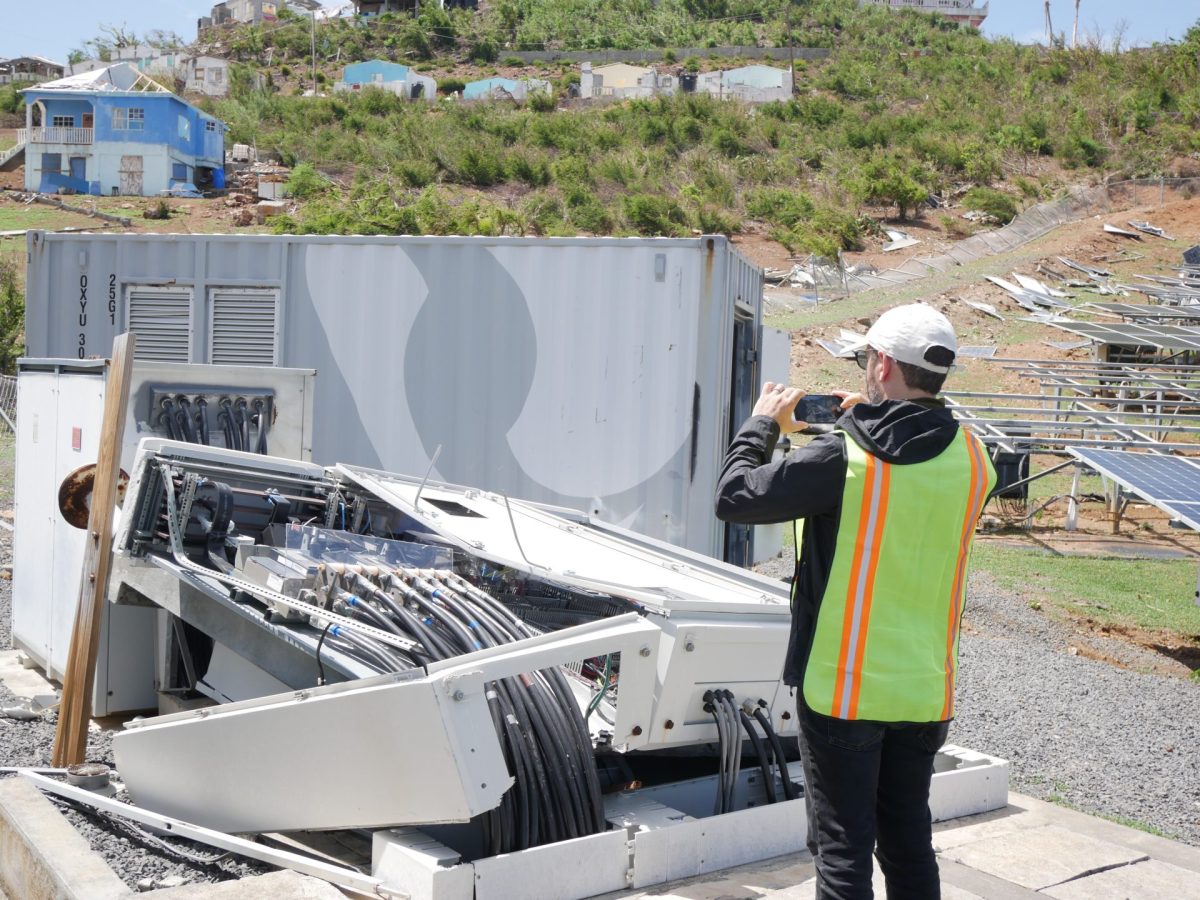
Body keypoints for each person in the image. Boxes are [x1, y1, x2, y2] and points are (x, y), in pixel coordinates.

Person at [714, 303, 996, 900]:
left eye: (867, 359)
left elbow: (735, 495)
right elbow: (908, 472)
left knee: (843, 852)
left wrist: (763, 424)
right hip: (923, 687)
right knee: (908, 843)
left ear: (884, 363)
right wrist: (868, 416)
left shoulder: (841, 458)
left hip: (842, 688)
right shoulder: (976, 460)